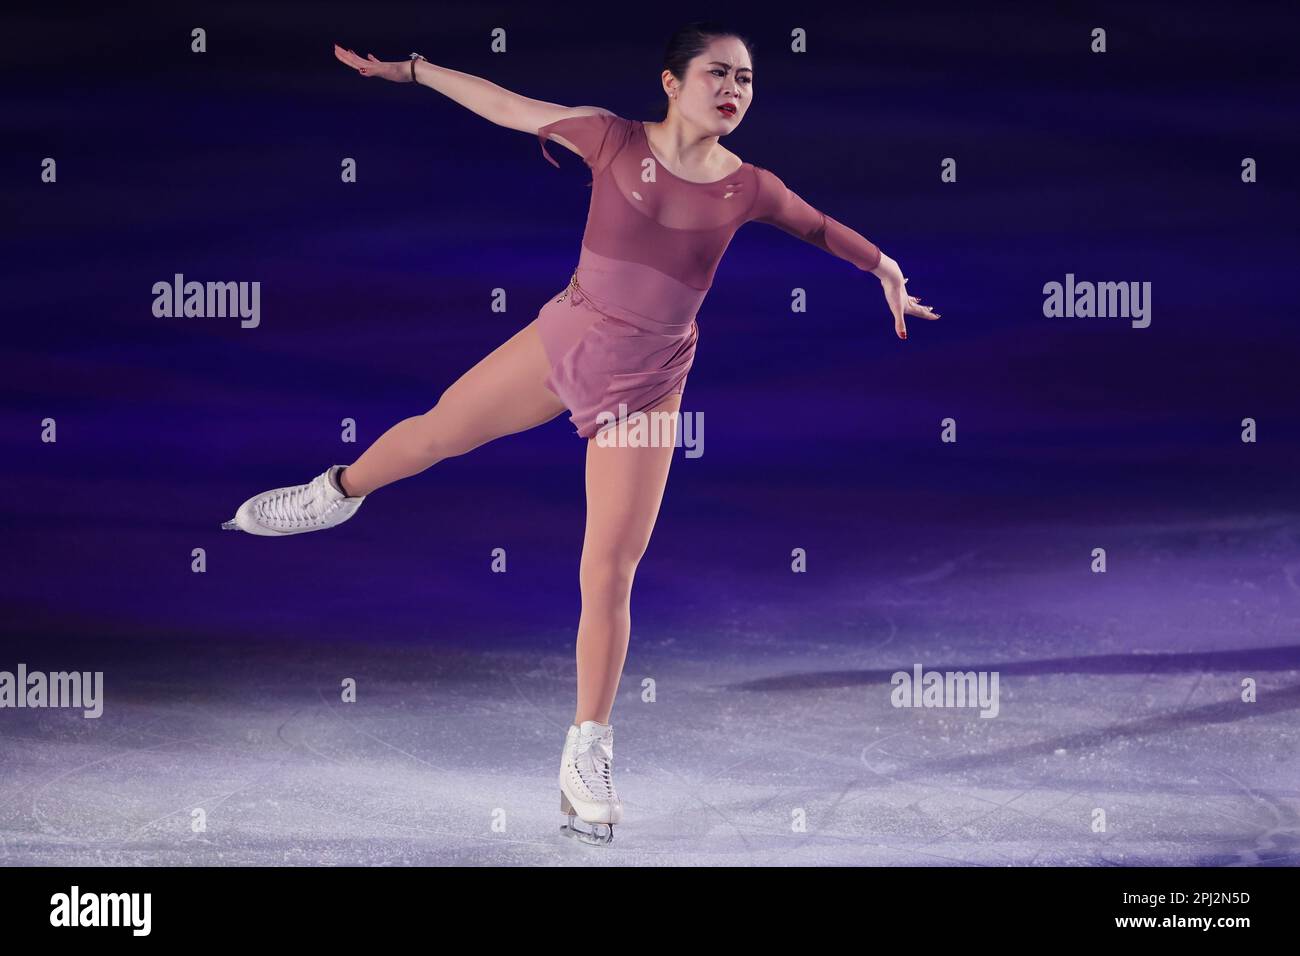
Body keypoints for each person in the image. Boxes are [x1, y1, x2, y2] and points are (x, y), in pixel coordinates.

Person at [223, 21, 941, 846]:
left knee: (609, 568)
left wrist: (882, 266)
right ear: (672, 83)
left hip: (649, 387)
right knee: (430, 437)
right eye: (718, 73)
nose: (734, 89)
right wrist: (416, 70)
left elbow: (817, 226)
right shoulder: (611, 138)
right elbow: (508, 106)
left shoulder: (748, 187)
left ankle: (586, 748)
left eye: (746, 78)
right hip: (568, 339)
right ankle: (335, 492)